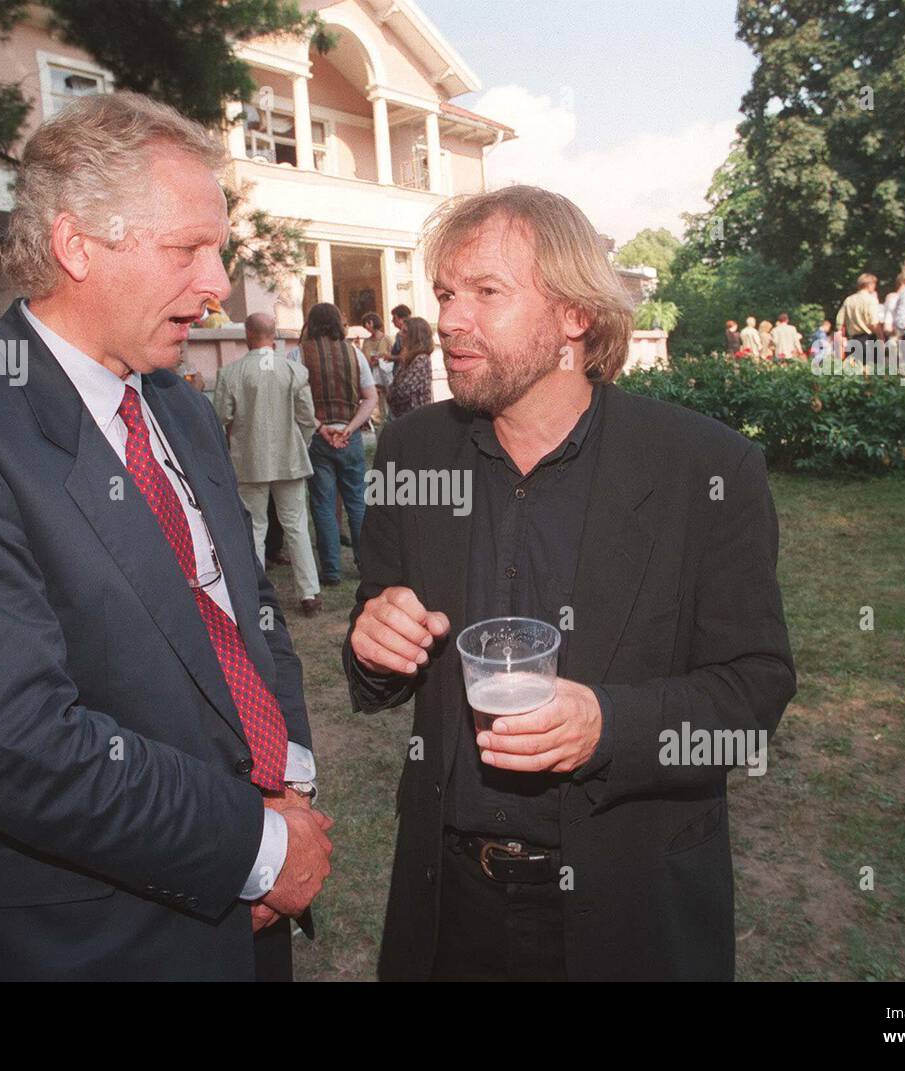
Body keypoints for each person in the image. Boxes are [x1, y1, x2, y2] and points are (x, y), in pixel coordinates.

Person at [0, 92, 333, 982]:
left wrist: (287, 782)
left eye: (217, 249)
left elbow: (246, 607)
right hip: (89, 944)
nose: (218, 282)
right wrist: (254, 844)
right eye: (187, 249)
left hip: (249, 908)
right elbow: (13, 740)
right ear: (75, 246)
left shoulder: (177, 403)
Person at [343, 185, 795, 982]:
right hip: (451, 910)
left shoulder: (706, 469)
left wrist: (608, 724)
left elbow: (753, 697)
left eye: (487, 292)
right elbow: (374, 660)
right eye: (447, 293)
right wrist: (373, 644)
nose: (449, 319)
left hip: (629, 914)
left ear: (573, 316)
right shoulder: (411, 455)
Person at [213, 313, 322, 617]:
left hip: (249, 462)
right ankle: (309, 593)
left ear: (248, 334)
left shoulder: (231, 373)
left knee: (256, 528)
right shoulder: (294, 370)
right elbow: (307, 417)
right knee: (297, 526)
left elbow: (221, 416)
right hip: (289, 459)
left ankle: (257, 594)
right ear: (273, 334)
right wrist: (300, 444)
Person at [287, 303, 377, 587]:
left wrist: (320, 427)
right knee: (358, 502)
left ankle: (331, 571)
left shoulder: (298, 354)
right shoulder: (355, 353)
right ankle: (367, 565)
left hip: (318, 438)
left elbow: (295, 400)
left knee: (323, 505)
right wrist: (350, 428)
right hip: (349, 438)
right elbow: (370, 397)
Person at [387, 315, 434, 419]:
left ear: (414, 336)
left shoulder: (421, 359)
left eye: (404, 331)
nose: (400, 334)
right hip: (402, 417)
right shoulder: (408, 358)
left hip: (415, 418)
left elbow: (403, 391)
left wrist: (391, 392)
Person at [835, 272, 882, 358]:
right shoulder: (871, 300)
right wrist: (881, 338)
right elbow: (874, 323)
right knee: (870, 369)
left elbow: (839, 322)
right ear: (869, 284)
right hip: (869, 340)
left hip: (853, 341)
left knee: (855, 370)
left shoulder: (848, 300)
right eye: (874, 284)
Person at [359, 311, 392, 427]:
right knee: (377, 410)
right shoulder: (367, 342)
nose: (366, 327)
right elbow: (364, 359)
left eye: (367, 324)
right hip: (372, 377)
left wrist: (382, 360)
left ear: (372, 323)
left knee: (389, 407)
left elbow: (392, 358)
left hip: (385, 377)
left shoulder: (387, 339)